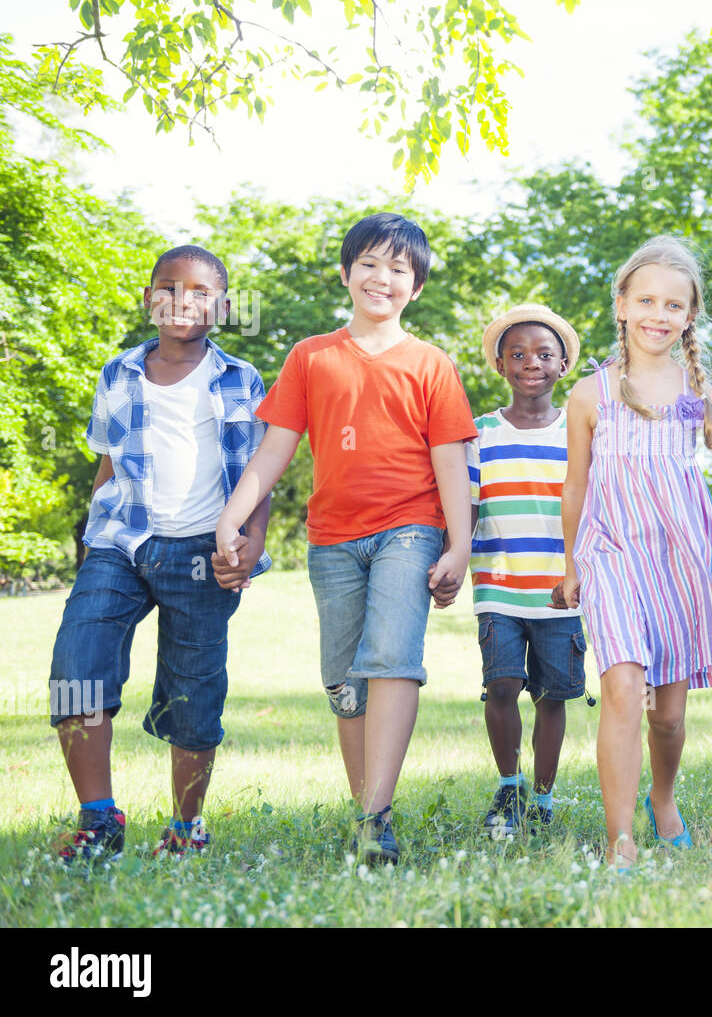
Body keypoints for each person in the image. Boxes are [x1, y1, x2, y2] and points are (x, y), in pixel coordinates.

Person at [215, 213, 476, 863]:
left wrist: (459, 544)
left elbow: (450, 461)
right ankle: (367, 817)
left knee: (390, 657)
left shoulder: (432, 364)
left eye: (398, 269)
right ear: (345, 272)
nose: (381, 277)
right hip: (331, 540)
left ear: (415, 288)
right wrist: (234, 514)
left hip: (410, 530)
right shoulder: (311, 356)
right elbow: (276, 449)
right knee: (343, 680)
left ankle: (375, 818)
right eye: (369, 263)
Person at [50, 245, 271, 863]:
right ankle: (99, 821)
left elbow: (260, 471)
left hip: (203, 551)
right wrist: (90, 545)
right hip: (119, 544)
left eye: (200, 291)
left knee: (193, 694)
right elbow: (107, 464)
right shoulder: (117, 373)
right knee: (76, 668)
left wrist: (250, 544)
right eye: (168, 287)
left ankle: (185, 826)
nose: (183, 300)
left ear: (222, 306)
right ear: (150, 298)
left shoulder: (240, 379)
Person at [557, 235, 712, 870]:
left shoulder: (699, 397)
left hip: (683, 562)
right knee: (622, 685)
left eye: (674, 305)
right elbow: (576, 484)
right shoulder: (589, 395)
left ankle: (663, 797)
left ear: (690, 315)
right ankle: (620, 840)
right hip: (612, 553)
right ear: (621, 304)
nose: (658, 313)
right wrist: (571, 563)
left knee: (667, 718)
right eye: (645, 299)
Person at [469, 304, 587, 836]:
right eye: (517, 354)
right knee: (502, 684)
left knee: (551, 695)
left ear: (563, 365)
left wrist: (581, 571)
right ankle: (508, 786)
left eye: (544, 353)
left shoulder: (581, 434)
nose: (531, 362)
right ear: (500, 365)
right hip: (497, 581)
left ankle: (543, 797)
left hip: (561, 588)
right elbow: (465, 505)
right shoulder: (478, 434)